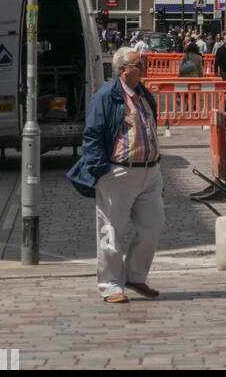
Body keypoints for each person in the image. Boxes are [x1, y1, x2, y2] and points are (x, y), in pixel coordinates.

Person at [67, 47, 164, 303]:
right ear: (123, 70)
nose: (143, 69)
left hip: (149, 172)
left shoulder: (144, 94)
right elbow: (92, 136)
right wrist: (102, 172)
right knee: (111, 230)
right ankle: (110, 285)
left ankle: (135, 276)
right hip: (118, 172)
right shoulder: (106, 97)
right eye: (138, 65)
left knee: (153, 225)